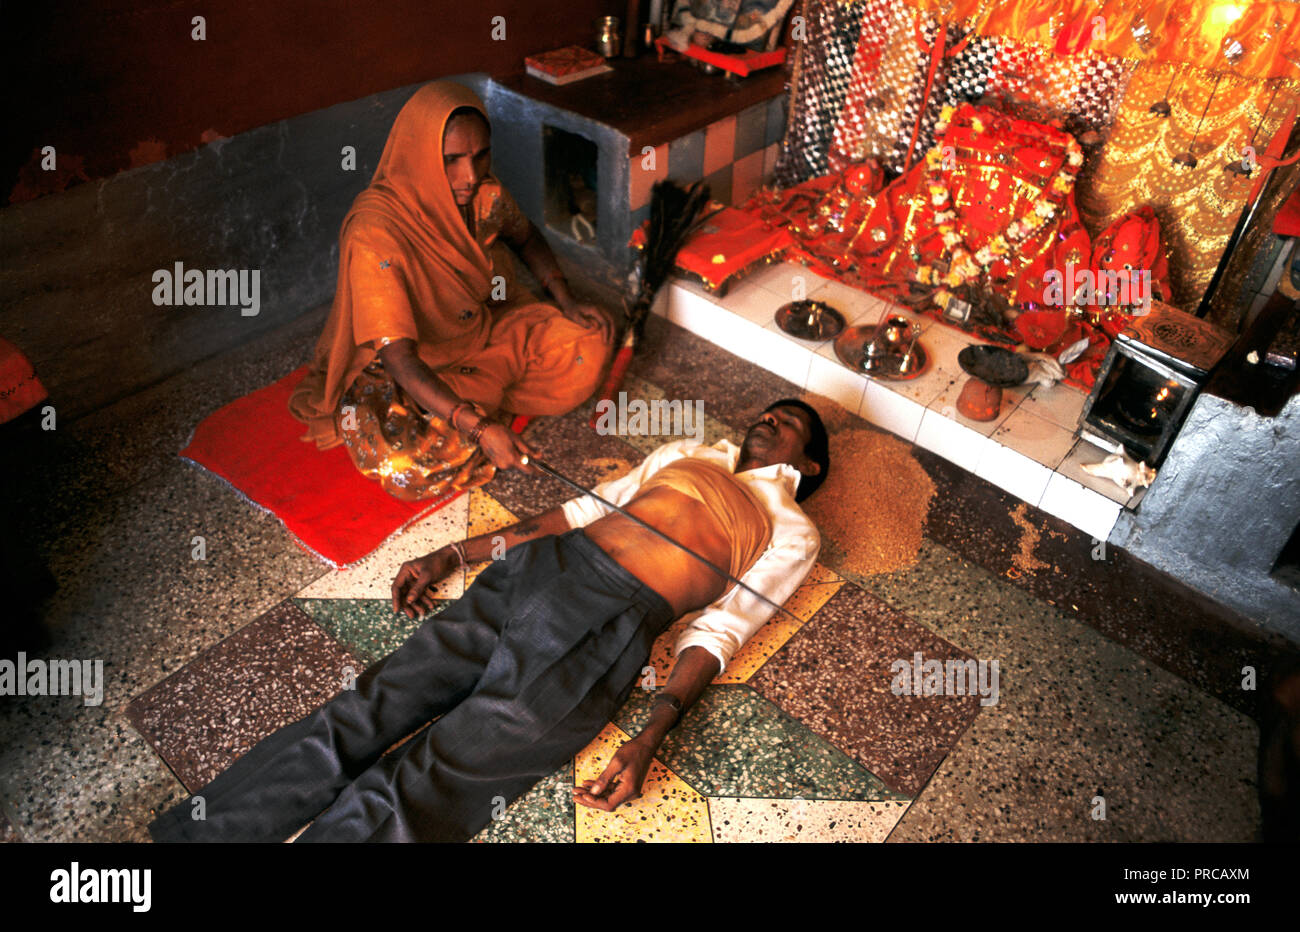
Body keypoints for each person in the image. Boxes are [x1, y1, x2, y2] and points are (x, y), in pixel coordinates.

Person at [148, 399, 830, 842]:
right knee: (362, 712)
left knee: (418, 788)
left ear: (810, 462)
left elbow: (721, 629)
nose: (770, 418)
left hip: (605, 628)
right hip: (538, 573)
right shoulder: (688, 456)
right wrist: (456, 551)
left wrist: (652, 733)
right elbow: (574, 515)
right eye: (769, 411)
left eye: (789, 421)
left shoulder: (791, 526)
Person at [287, 80, 614, 500]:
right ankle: (481, 407)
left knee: (590, 344)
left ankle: (484, 396)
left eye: (480, 157)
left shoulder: (485, 195)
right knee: (405, 465)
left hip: (484, 332)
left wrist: (565, 300)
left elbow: (526, 237)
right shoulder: (377, 231)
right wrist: (477, 425)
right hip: (408, 367)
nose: (470, 176)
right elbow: (399, 356)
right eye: (452, 161)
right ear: (418, 157)